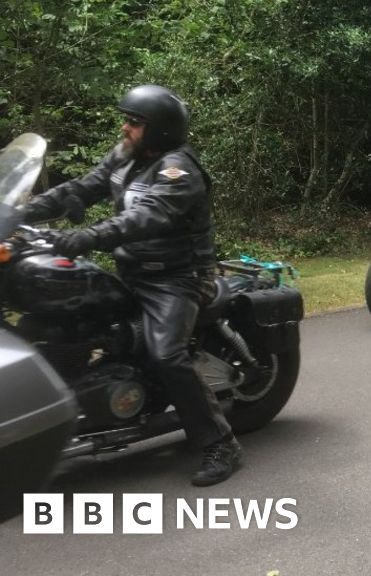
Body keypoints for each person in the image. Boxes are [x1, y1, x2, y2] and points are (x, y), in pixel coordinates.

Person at [19, 84, 241, 487]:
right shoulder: (125, 156)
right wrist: (18, 213)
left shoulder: (179, 170)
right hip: (133, 270)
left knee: (166, 354)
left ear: (159, 130)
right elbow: (81, 187)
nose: (125, 128)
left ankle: (220, 443)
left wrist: (87, 236)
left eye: (134, 122)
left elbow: (147, 217)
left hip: (177, 277)